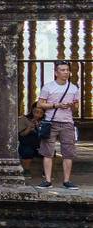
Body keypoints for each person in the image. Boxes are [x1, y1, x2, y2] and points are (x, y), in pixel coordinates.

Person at [38, 61, 80, 189]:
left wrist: (73, 106)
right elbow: (40, 104)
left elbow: (76, 108)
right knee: (48, 152)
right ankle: (48, 180)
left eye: (67, 70)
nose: (66, 72)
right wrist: (56, 105)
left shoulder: (74, 88)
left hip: (67, 123)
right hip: (51, 122)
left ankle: (67, 180)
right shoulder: (48, 87)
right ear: (56, 72)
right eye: (62, 70)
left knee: (68, 153)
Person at [18, 101, 45, 176]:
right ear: (32, 110)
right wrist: (29, 128)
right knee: (27, 151)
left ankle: (46, 171)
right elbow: (21, 135)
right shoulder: (23, 119)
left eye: (41, 112)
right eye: (36, 111)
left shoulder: (45, 121)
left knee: (49, 151)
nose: (38, 114)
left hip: (40, 144)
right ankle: (26, 170)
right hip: (27, 144)